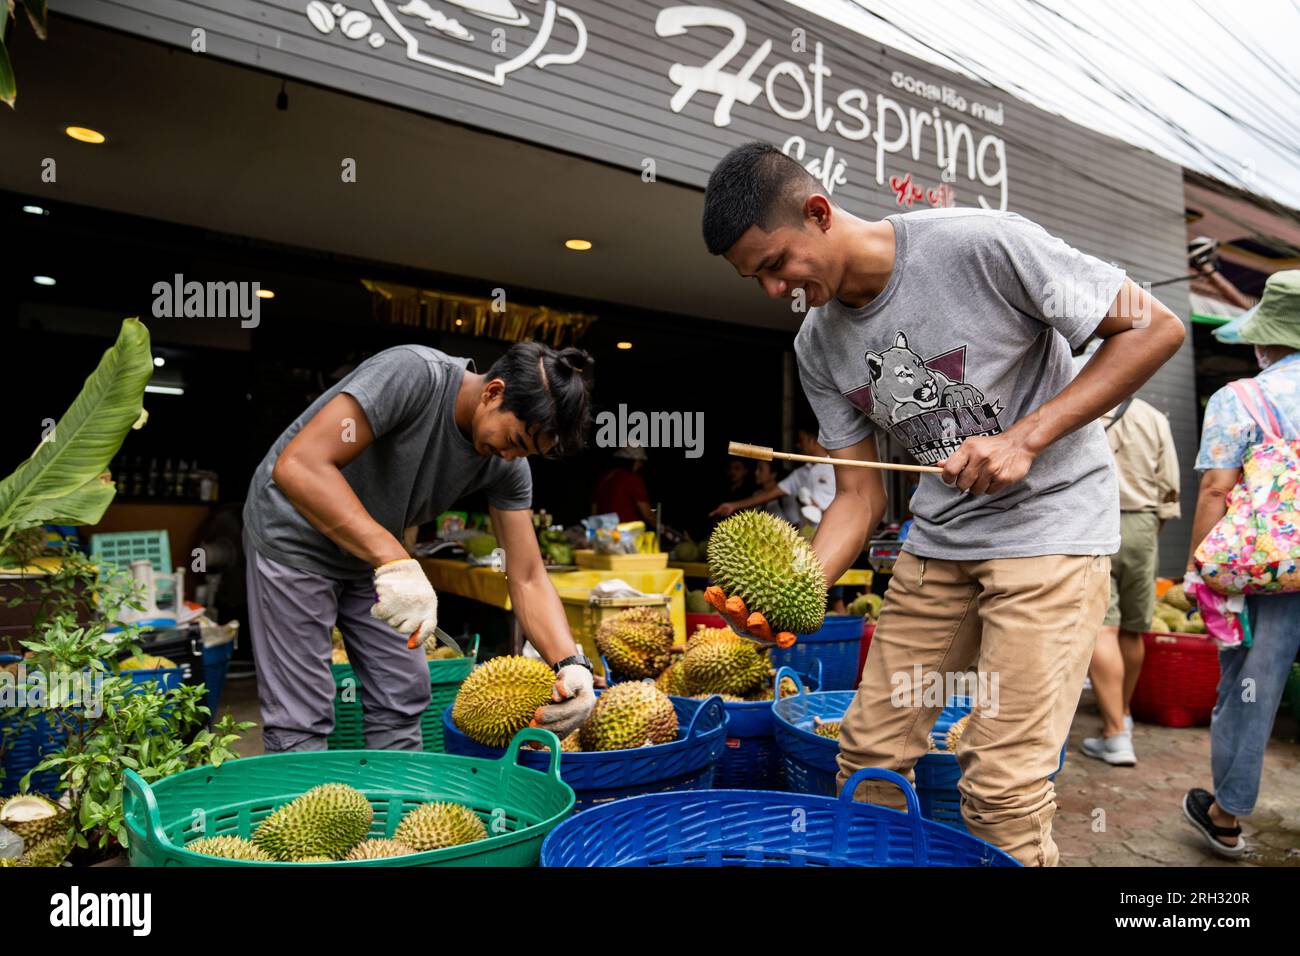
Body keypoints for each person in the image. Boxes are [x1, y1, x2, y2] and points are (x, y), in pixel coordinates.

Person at [700, 142, 1184, 866]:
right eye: (757, 279)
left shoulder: (981, 243)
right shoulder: (817, 346)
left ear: (819, 213)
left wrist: (1026, 437)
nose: (775, 291)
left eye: (776, 265)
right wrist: (793, 593)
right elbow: (858, 499)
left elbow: (1157, 327)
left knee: (1002, 787)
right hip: (939, 547)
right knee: (867, 759)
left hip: (1050, 532)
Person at [242, 342, 599, 752]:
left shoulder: (508, 466)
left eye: (526, 452)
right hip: (294, 534)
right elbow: (300, 466)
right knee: (300, 715)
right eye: (514, 439)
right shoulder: (413, 374)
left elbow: (527, 575)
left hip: (369, 554)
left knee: (402, 693)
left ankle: (396, 807)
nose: (511, 455)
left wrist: (571, 664)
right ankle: (299, 809)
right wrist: (395, 559)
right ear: (493, 392)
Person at [1181, 269, 1300, 859]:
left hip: (1266, 575)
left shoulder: (1242, 399)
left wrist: (1197, 569)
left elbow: (1214, 491)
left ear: (1265, 338)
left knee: (1252, 687)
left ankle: (1227, 817)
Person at [1075, 339, 1182, 767]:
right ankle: (1123, 713)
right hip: (1143, 525)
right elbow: (1169, 485)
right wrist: (1149, 531)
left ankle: (1115, 732)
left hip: (1093, 523)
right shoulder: (1153, 418)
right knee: (1134, 628)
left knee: (1103, 627)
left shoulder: (1077, 410)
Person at [710, 428, 835, 523]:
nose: (797, 445)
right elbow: (769, 494)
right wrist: (734, 505)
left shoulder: (837, 468)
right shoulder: (799, 474)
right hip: (808, 538)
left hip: (833, 531)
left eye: (801, 441)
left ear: (811, 441)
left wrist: (823, 511)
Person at [592, 444, 654, 523]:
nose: (641, 465)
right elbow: (647, 514)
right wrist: (664, 529)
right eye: (640, 461)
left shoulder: (604, 478)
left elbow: (594, 509)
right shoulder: (632, 479)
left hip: (602, 530)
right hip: (625, 531)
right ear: (631, 461)